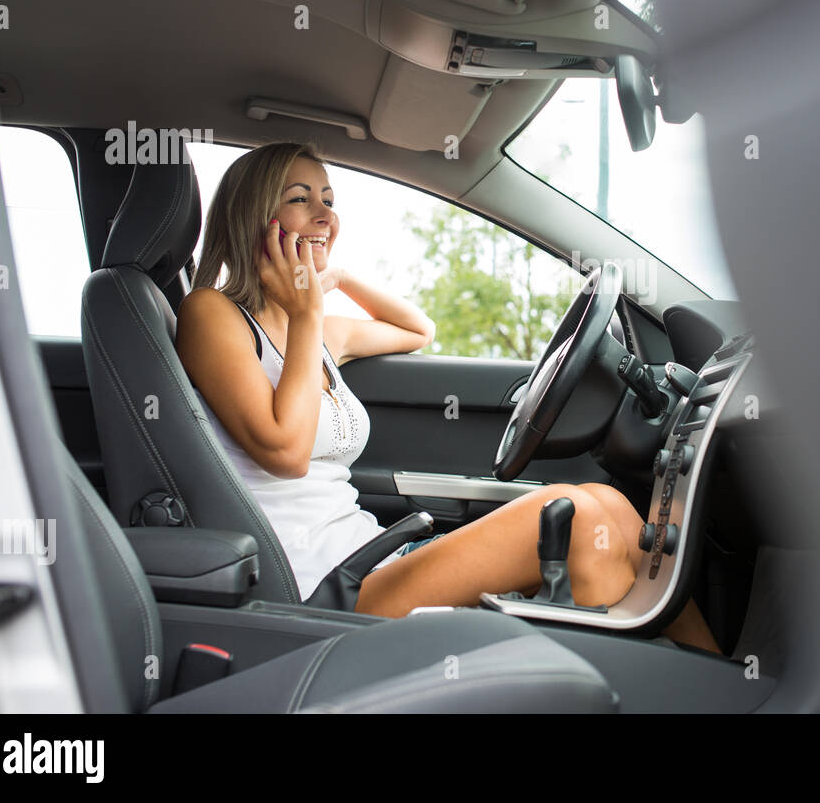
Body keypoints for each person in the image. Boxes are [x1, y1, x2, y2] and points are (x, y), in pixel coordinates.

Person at [175, 142, 720, 653]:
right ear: (254, 220)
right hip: (322, 589)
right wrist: (305, 313)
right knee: (576, 515)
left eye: (329, 201)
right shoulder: (212, 314)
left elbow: (417, 329)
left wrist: (333, 279)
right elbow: (287, 454)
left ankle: (722, 685)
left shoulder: (319, 331)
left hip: (374, 554)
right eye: (300, 200)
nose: (325, 217)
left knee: (617, 513)